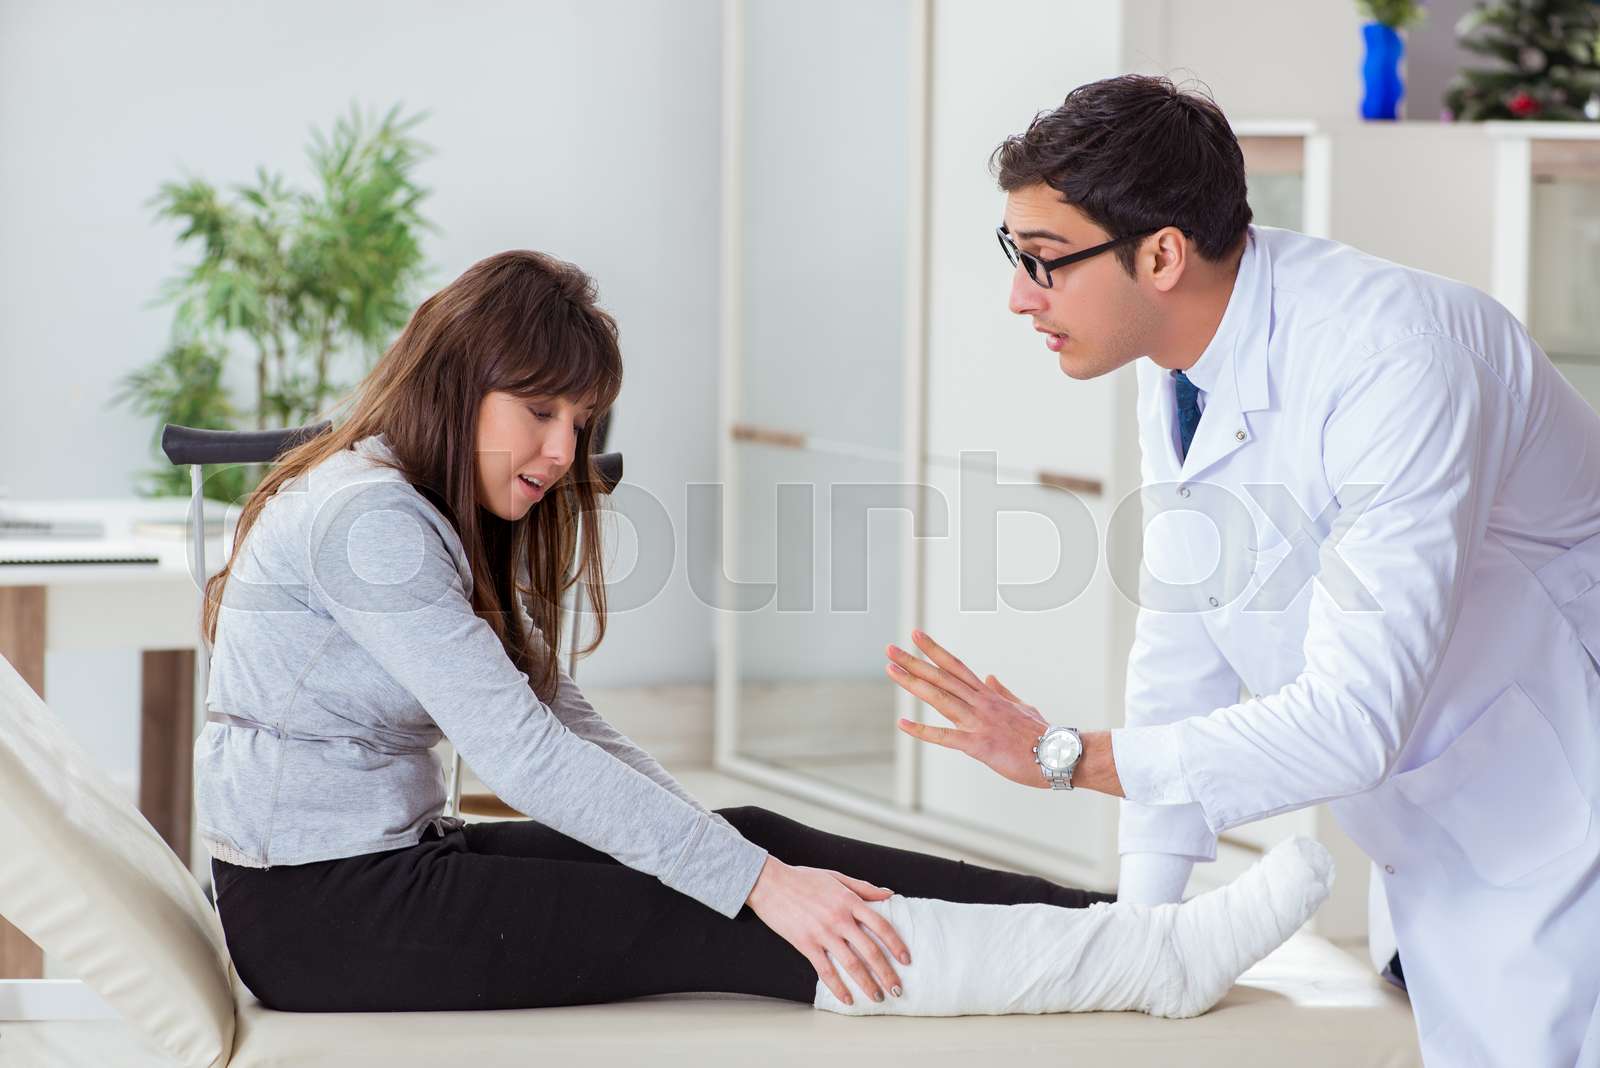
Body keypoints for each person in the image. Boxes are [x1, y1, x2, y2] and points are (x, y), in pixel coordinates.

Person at [196, 249, 1330, 1021]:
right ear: (456, 383)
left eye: (576, 423)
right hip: (318, 917)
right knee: (701, 909)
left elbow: (557, 713)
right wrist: (750, 890)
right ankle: (1139, 968)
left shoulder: (422, 501)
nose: (558, 452)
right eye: (539, 413)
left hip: (375, 872)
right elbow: (522, 759)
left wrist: (736, 855)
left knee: (740, 833)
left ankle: (1129, 928)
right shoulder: (371, 520)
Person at [887, 75, 1600, 1064]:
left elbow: (1352, 724)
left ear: (1162, 254)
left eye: (1043, 261)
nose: (1018, 294)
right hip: (1443, 801)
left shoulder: (1396, 357)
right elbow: (1184, 631)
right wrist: (1148, 924)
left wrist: (1068, 756)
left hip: (1562, 805)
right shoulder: (1178, 368)